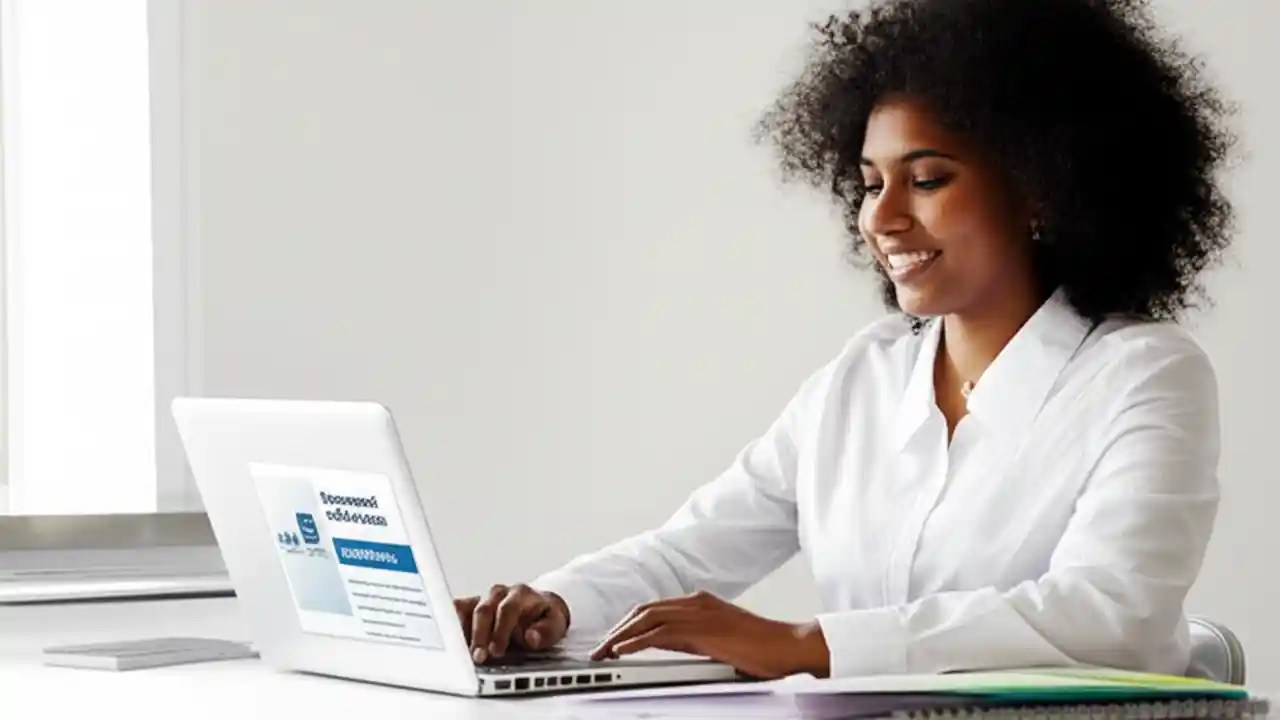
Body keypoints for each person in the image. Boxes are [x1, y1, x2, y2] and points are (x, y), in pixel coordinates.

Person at [454, 0, 1236, 679]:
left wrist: (807, 642)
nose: (882, 217)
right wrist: (551, 605)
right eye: (869, 183)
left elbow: (1110, 612)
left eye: (926, 180)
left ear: (1040, 188)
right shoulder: (865, 378)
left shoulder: (1145, 376)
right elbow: (686, 553)